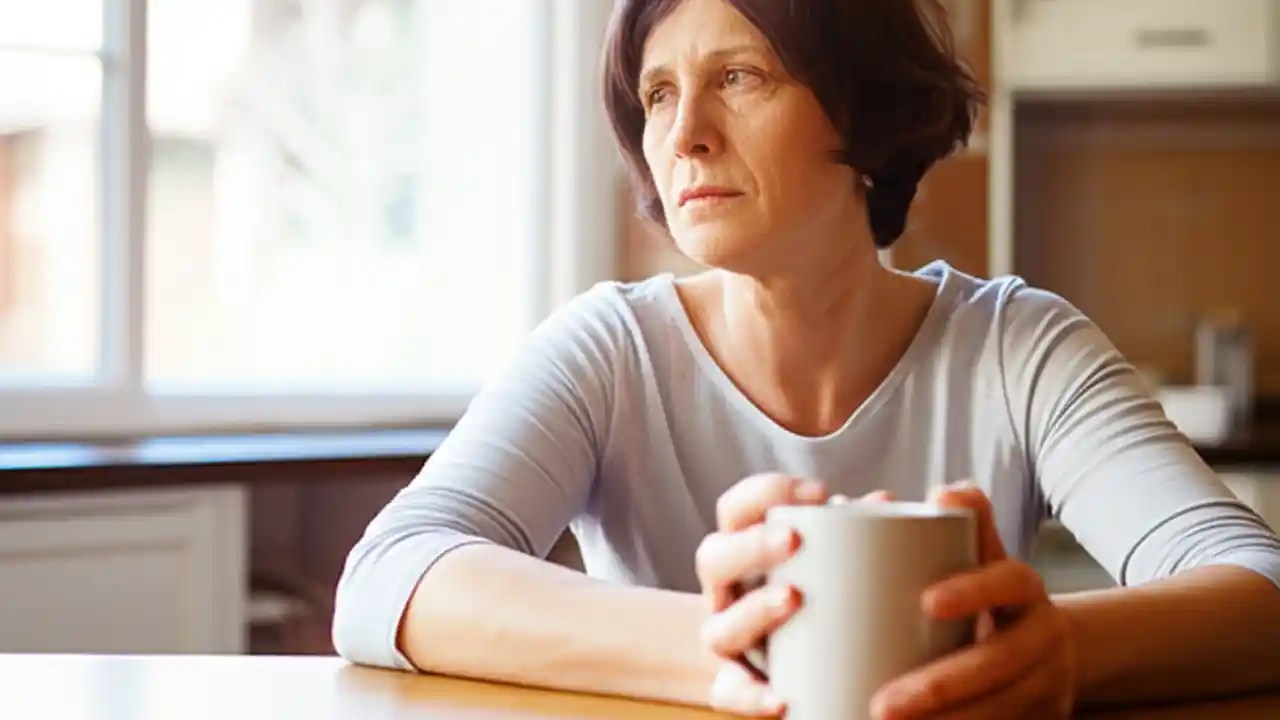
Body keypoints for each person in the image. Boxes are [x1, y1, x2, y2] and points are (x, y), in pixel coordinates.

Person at [332, 0, 1280, 716]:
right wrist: (719, 650)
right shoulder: (610, 349)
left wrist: (1059, 650)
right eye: (658, 92)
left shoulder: (1017, 347)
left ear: (864, 113)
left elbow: (1258, 588)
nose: (683, 133)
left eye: (739, 76)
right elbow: (389, 576)